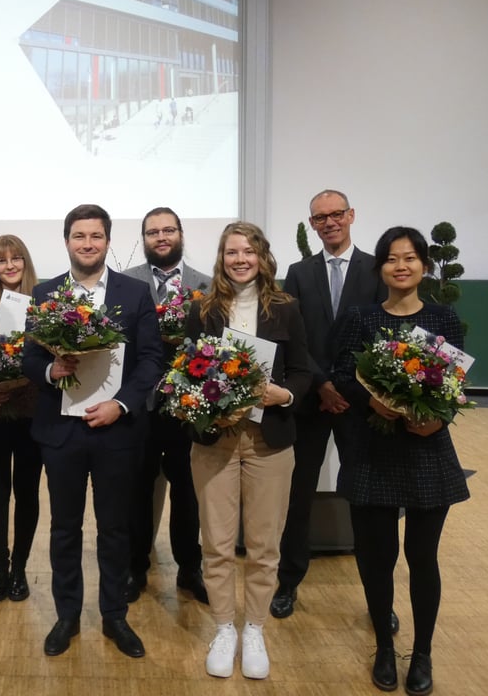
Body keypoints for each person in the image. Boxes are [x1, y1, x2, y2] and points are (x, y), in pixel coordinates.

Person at [332, 226, 469, 696]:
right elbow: (342, 374)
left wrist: (438, 418)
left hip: (426, 450)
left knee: (422, 558)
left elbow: (454, 381)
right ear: (381, 268)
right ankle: (385, 649)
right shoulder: (361, 318)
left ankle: (423, 651)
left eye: (410, 258)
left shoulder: (444, 318)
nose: (401, 266)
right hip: (374, 450)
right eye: (392, 259)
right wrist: (373, 402)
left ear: (424, 266)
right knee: (377, 557)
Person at [23, 204, 164, 660]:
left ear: (107, 241)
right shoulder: (44, 294)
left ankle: (114, 615)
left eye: (96, 236)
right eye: (79, 236)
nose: (88, 243)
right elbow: (28, 360)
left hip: (115, 431)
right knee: (64, 528)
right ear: (67, 241)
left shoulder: (134, 293)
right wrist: (51, 370)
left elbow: (150, 361)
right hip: (60, 434)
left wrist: (121, 405)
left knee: (115, 529)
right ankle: (67, 616)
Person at [187, 221, 309, 681]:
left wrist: (286, 395)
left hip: (268, 442)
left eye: (249, 251)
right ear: (221, 257)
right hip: (216, 441)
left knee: (263, 545)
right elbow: (186, 370)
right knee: (216, 545)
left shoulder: (286, 308)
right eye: (232, 252)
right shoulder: (202, 310)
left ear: (262, 256)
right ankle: (224, 628)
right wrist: (202, 404)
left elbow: (302, 370)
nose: (240, 259)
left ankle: (253, 628)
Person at [271, 190, 388, 621]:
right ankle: (287, 582)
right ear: (312, 224)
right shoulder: (299, 273)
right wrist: (321, 384)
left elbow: (381, 336)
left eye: (336, 214)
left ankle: (378, 597)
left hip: (359, 403)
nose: (329, 222)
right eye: (320, 218)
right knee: (297, 495)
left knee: (365, 498)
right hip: (310, 398)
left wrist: (348, 387)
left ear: (351, 215)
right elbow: (293, 337)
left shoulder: (376, 268)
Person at [123, 207, 210, 604]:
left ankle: (190, 569)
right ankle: (135, 568)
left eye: (168, 230)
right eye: (153, 232)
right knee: (137, 489)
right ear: (143, 239)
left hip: (187, 408)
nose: (161, 237)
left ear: (180, 234)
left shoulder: (206, 286)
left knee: (188, 491)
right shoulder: (125, 284)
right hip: (139, 405)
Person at [0, 235, 42, 603]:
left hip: (32, 415)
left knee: (27, 493)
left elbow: (52, 358)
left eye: (17, 258)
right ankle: (0, 568)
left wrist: (23, 379)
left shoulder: (45, 305)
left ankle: (20, 569)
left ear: (26, 263)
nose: (10, 265)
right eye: (2, 261)